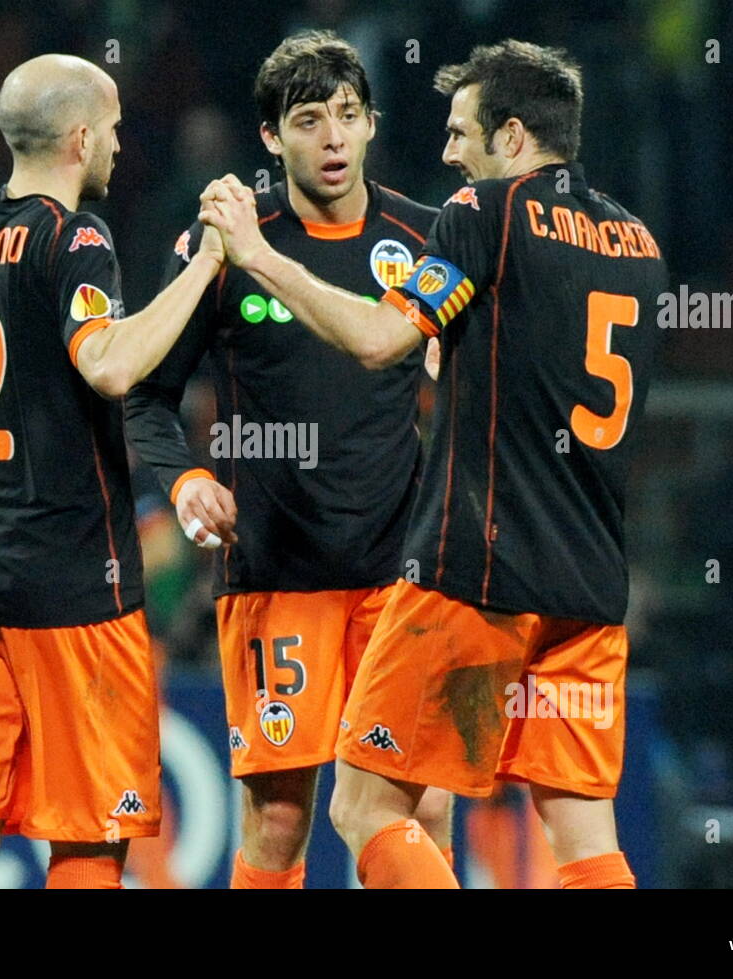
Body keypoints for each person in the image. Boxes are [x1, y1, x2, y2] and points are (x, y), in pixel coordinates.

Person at [200, 39, 668, 889]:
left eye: (462, 133)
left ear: (514, 137)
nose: (449, 154)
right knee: (583, 833)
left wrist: (261, 257)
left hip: (476, 580)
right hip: (590, 590)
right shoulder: (638, 244)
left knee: (365, 805)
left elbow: (382, 341)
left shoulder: (481, 213)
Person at [0, 53, 225, 888]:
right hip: (74, 591)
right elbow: (112, 368)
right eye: (118, 127)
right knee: (90, 836)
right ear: (83, 138)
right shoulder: (76, 237)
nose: (124, 146)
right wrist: (204, 263)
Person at [125, 31, 452, 888]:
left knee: (423, 808)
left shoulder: (427, 237)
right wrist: (189, 479)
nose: (334, 138)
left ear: (374, 124)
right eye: (309, 121)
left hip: (402, 571)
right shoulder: (226, 242)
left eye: (348, 116)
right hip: (276, 569)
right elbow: (144, 394)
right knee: (279, 818)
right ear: (271, 138)